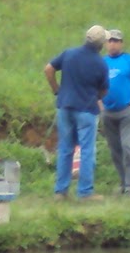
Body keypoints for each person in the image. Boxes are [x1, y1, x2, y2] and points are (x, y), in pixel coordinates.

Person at [43, 24, 111, 200]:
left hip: (65, 107)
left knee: (65, 148)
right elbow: (103, 91)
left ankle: (61, 191)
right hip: (86, 110)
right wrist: (95, 95)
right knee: (87, 150)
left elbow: (48, 69)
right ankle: (85, 192)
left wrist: (56, 89)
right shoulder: (100, 64)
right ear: (101, 44)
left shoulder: (69, 54)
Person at [100, 28, 130, 196]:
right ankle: (124, 183)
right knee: (115, 149)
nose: (112, 44)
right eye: (109, 41)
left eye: (116, 41)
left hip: (127, 111)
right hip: (108, 111)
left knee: (129, 147)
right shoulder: (101, 62)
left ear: (121, 43)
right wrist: (100, 105)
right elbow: (94, 86)